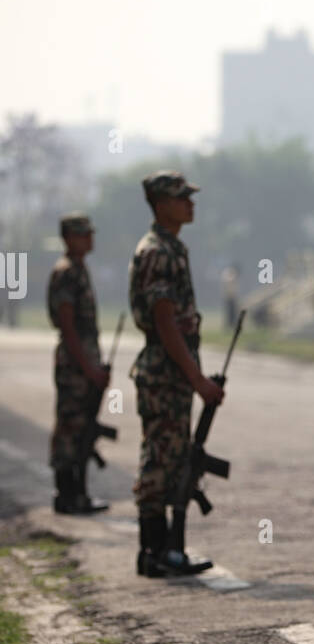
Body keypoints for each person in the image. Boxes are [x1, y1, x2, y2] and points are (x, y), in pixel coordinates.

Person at [129, 171, 223, 577]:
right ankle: (153, 553)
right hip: (165, 374)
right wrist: (198, 380)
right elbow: (164, 320)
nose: (191, 203)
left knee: (171, 460)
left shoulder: (171, 247)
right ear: (161, 203)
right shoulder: (159, 252)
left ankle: (166, 551)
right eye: (182, 197)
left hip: (172, 373)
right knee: (158, 461)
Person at [46, 212, 110, 513]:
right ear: (69, 237)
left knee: (83, 427)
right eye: (84, 234)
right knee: (71, 428)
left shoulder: (79, 269)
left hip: (82, 363)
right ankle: (67, 493)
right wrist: (89, 369)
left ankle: (78, 493)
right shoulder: (66, 272)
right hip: (74, 366)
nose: (90, 238)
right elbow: (68, 327)